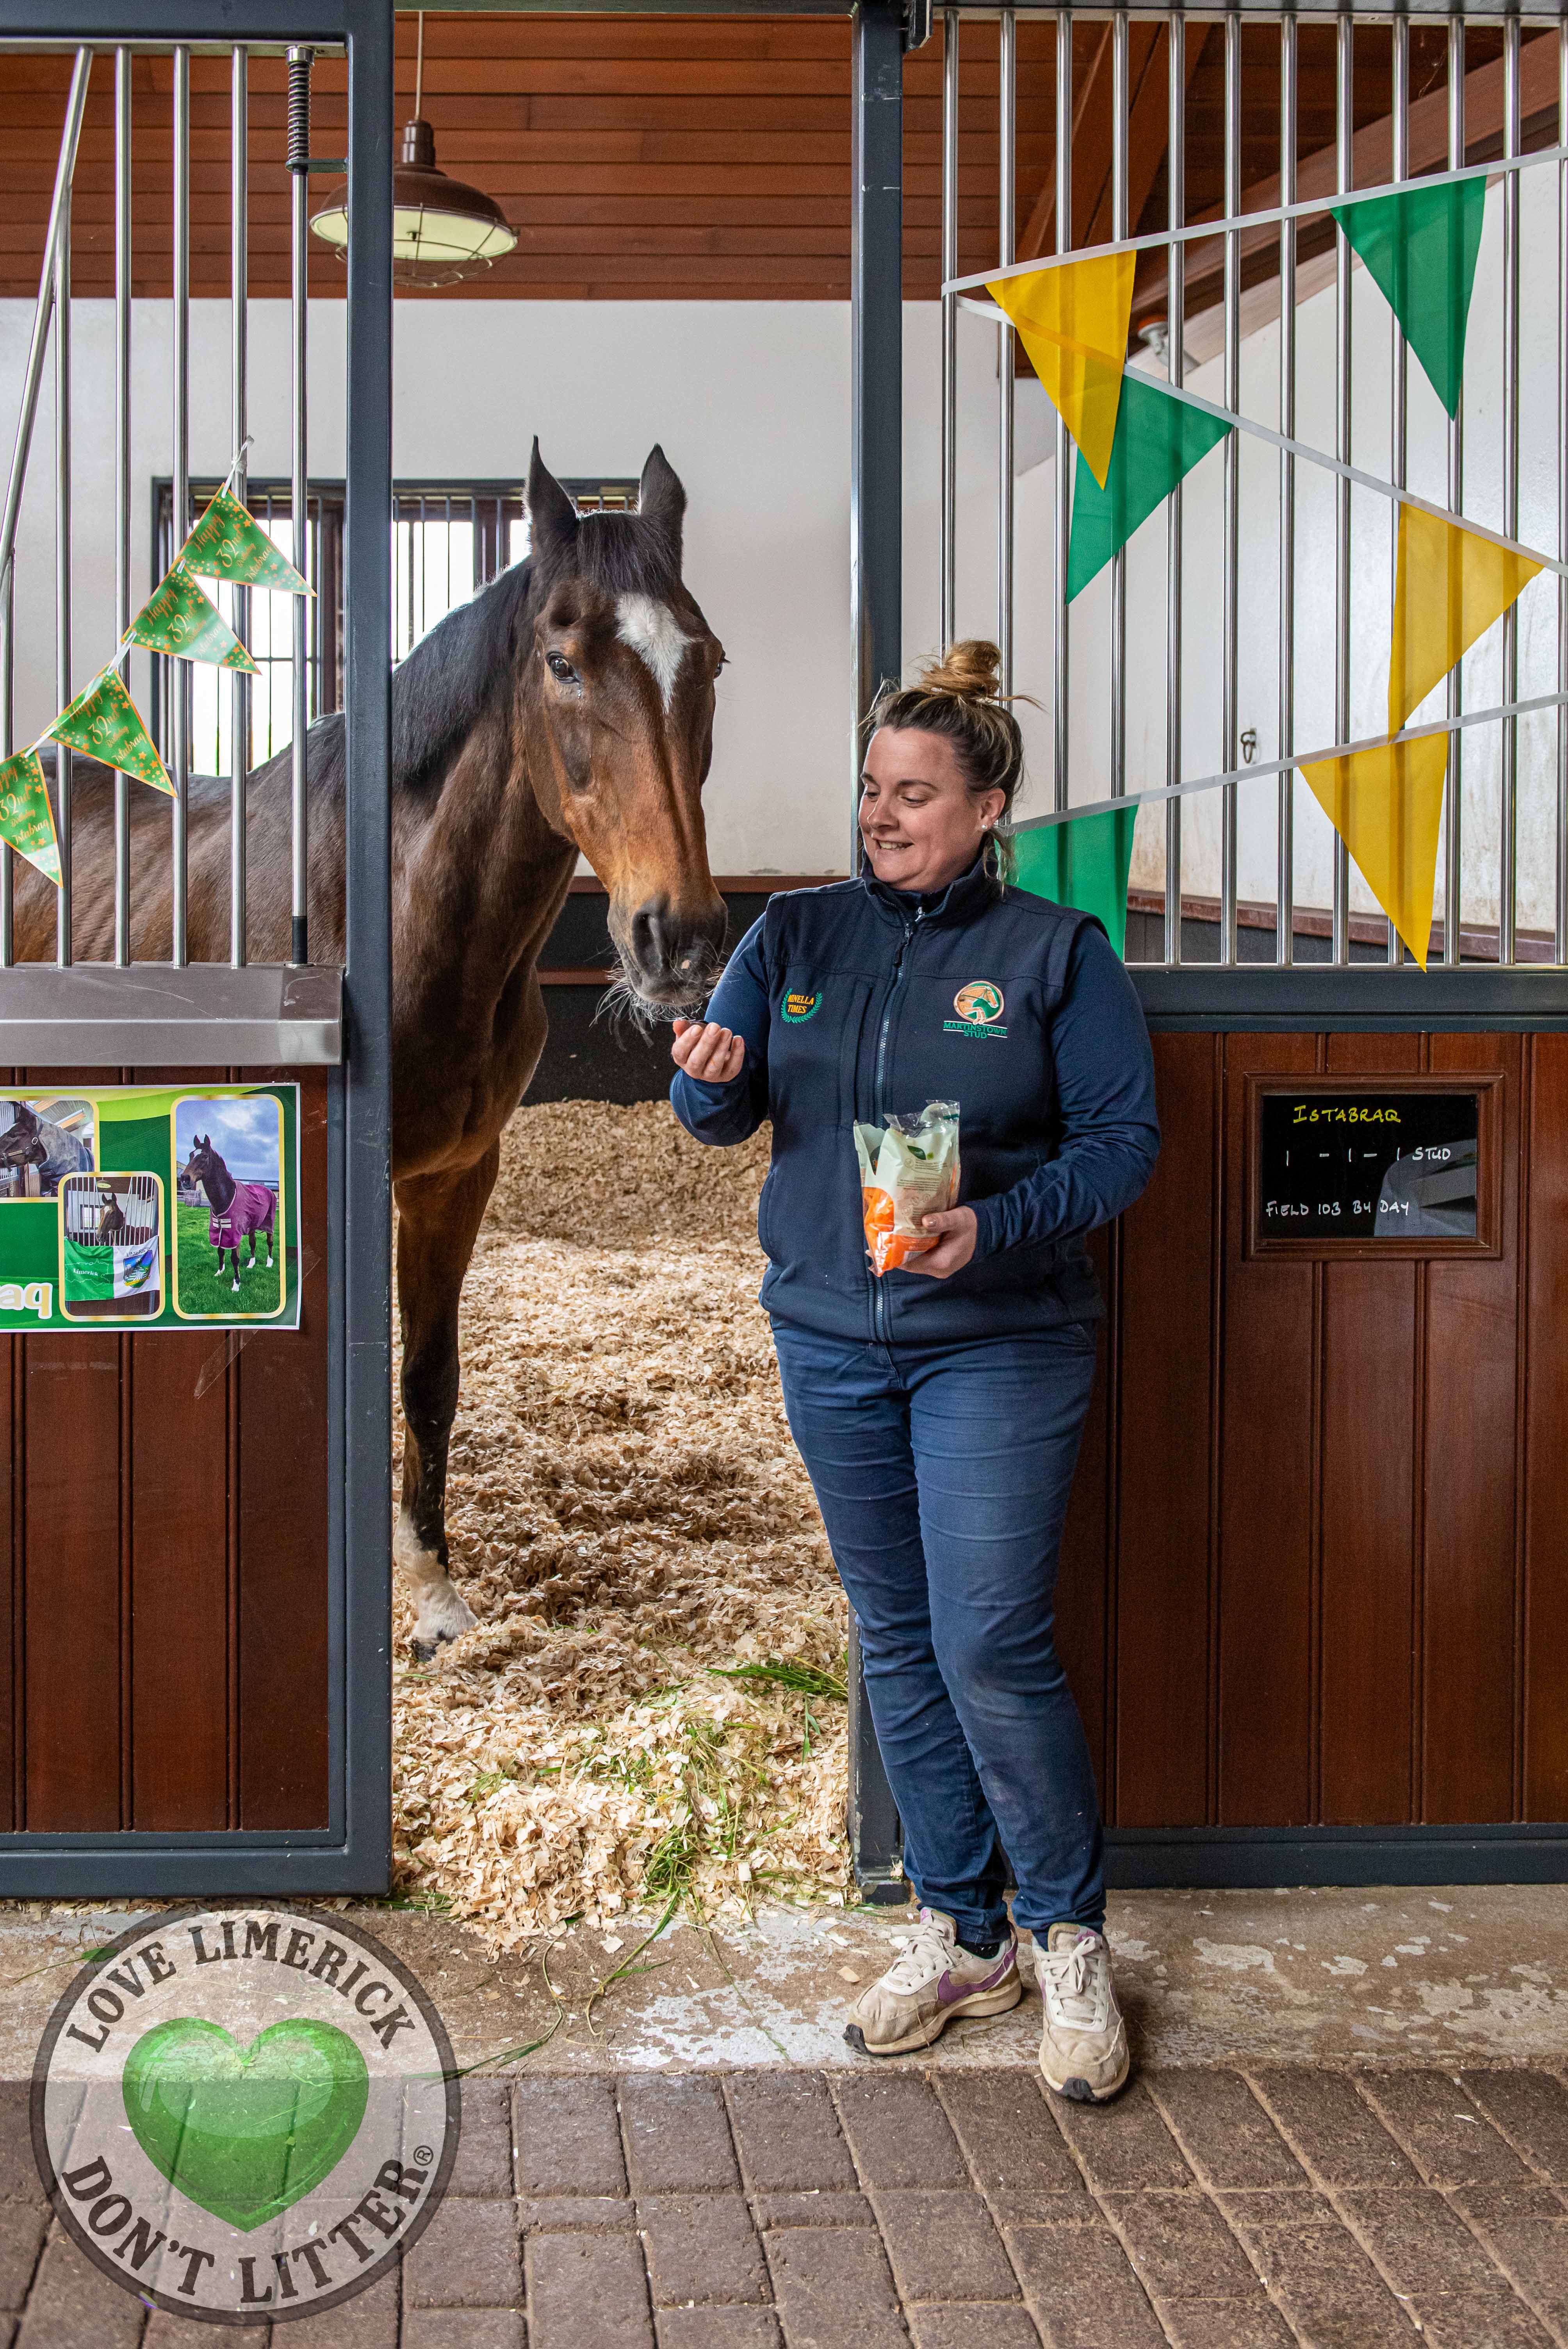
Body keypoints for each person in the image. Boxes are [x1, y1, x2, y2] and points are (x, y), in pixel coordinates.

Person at [669, 642, 1159, 2103]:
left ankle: (1067, 1935)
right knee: (893, 1637)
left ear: (991, 802)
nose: (883, 816)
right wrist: (705, 1076)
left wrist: (990, 1229)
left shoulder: (1057, 955)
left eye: (916, 794)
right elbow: (726, 1111)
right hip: (829, 1338)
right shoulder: (795, 936)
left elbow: (1123, 1150)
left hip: (999, 1341)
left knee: (990, 1642)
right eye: (872, 789)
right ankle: (961, 1932)